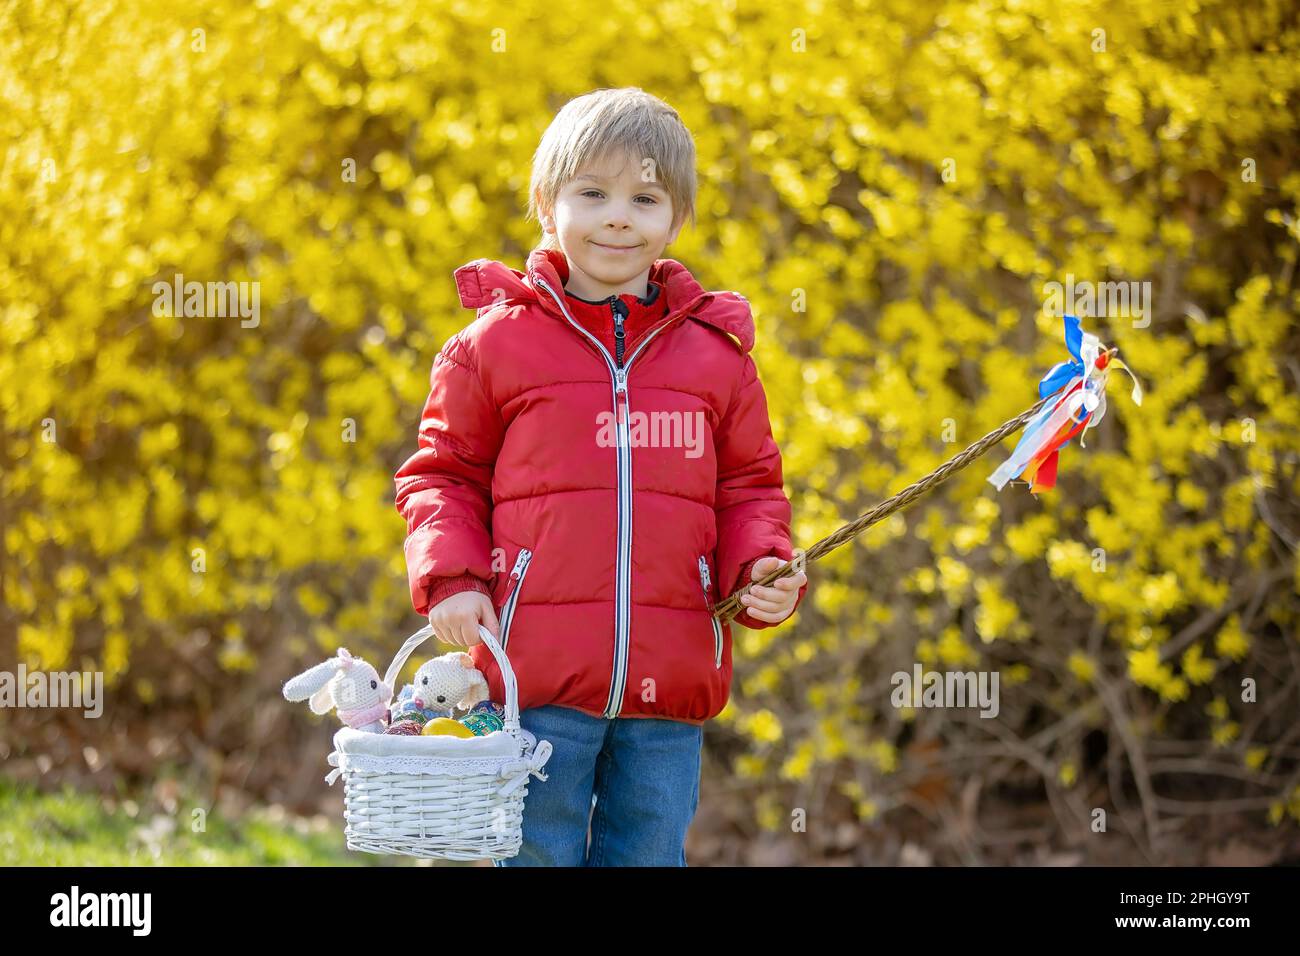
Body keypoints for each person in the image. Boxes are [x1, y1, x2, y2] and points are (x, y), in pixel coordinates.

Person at [393, 87, 808, 866]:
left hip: (672, 673)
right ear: (548, 206)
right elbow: (441, 475)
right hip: (533, 676)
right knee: (533, 852)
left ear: (675, 220)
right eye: (593, 194)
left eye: (645, 198)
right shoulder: (493, 348)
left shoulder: (716, 360)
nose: (619, 216)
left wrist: (761, 569)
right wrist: (451, 578)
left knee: (647, 854)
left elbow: (751, 487)